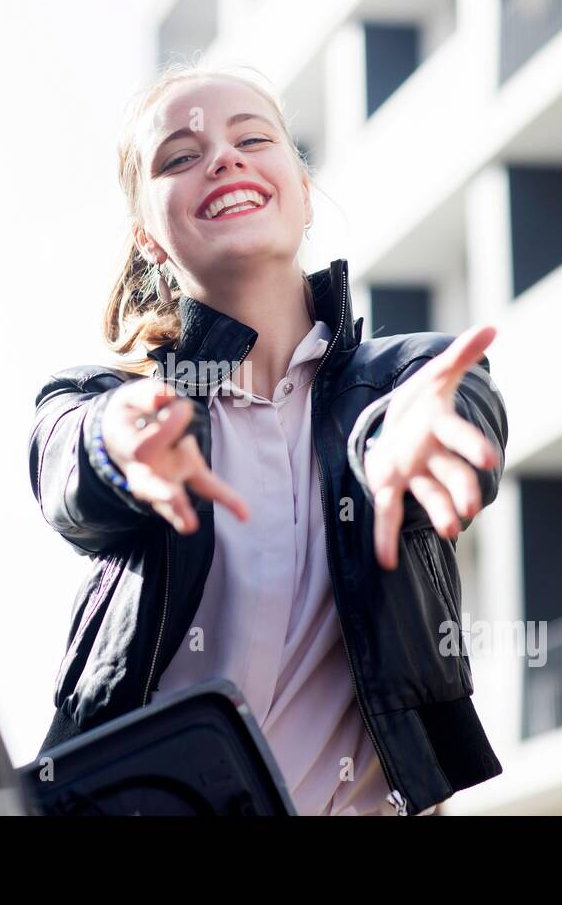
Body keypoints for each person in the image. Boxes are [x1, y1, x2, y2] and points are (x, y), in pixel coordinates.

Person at [29, 60, 509, 816]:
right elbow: (68, 462)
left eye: (252, 139)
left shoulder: (409, 377)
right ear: (148, 241)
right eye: (180, 158)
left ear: (304, 193)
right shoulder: (107, 401)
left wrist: (410, 438)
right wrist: (117, 444)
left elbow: (443, 414)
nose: (223, 158)